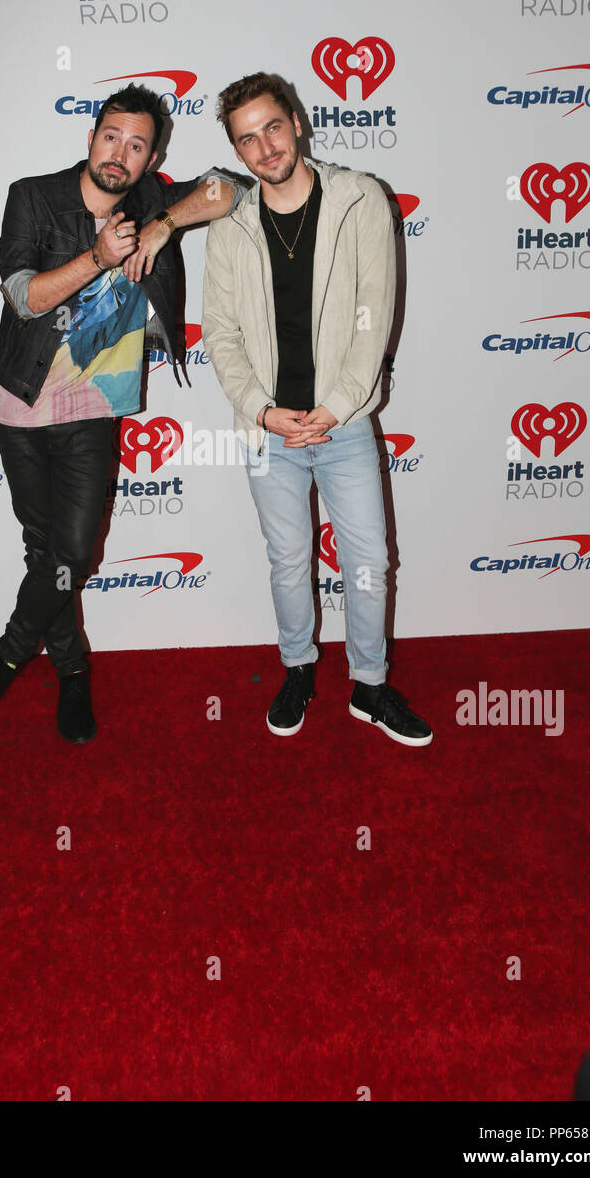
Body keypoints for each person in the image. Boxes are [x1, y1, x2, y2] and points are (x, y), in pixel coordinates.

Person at [0, 83, 241, 743]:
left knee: (74, 549)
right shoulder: (32, 196)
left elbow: (230, 189)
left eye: (137, 145)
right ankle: (73, 672)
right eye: (111, 136)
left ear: (150, 160)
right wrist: (97, 257)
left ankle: (3, 657)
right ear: (90, 138)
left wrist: (166, 223)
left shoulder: (150, 199)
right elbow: (23, 297)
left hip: (91, 408)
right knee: (44, 549)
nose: (120, 153)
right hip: (23, 401)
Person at [202, 72, 431, 744]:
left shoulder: (360, 200)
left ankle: (371, 685)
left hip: (346, 424)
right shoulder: (230, 224)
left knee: (369, 561)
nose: (265, 147)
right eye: (247, 139)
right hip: (268, 429)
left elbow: (374, 320)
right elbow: (220, 332)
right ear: (238, 153)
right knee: (288, 559)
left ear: (297, 121)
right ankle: (298, 669)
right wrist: (262, 409)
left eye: (273, 126)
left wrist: (332, 408)